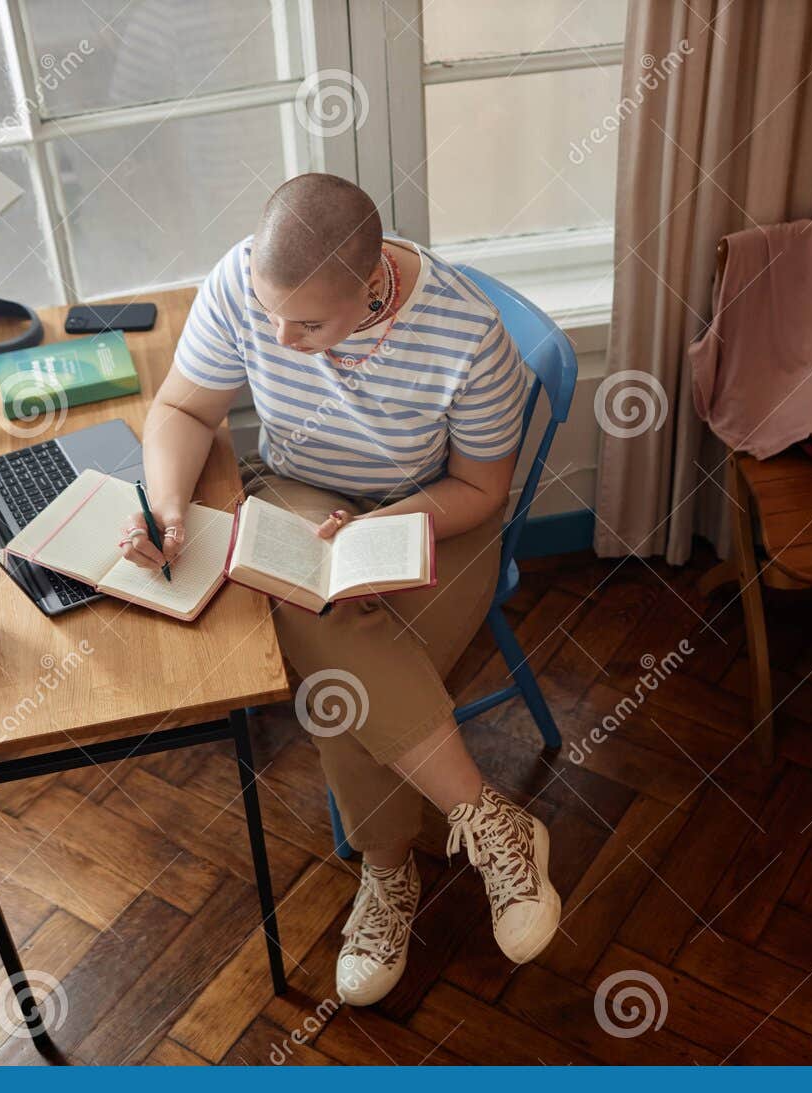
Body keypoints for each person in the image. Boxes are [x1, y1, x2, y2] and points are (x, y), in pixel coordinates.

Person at [117, 173, 561, 1005]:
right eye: (268, 310)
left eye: (310, 323)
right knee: (342, 653)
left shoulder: (468, 336)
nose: (278, 339)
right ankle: (484, 825)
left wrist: (377, 533)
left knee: (337, 677)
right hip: (299, 494)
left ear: (370, 288)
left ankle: (388, 873)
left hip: (436, 515)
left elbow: (481, 490)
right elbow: (183, 407)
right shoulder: (243, 283)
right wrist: (167, 507)